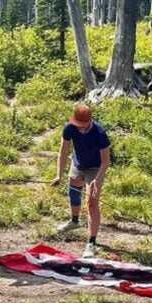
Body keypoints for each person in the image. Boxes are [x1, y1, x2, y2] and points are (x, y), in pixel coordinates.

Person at [51, 103, 111, 259]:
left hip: (95, 168)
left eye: (82, 127)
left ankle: (91, 242)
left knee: (91, 203)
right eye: (77, 126)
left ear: (89, 122)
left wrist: (96, 181)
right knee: (73, 193)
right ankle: (74, 221)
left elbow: (106, 161)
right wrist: (59, 174)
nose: (79, 129)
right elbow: (63, 151)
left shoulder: (99, 133)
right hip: (78, 164)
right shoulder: (69, 128)